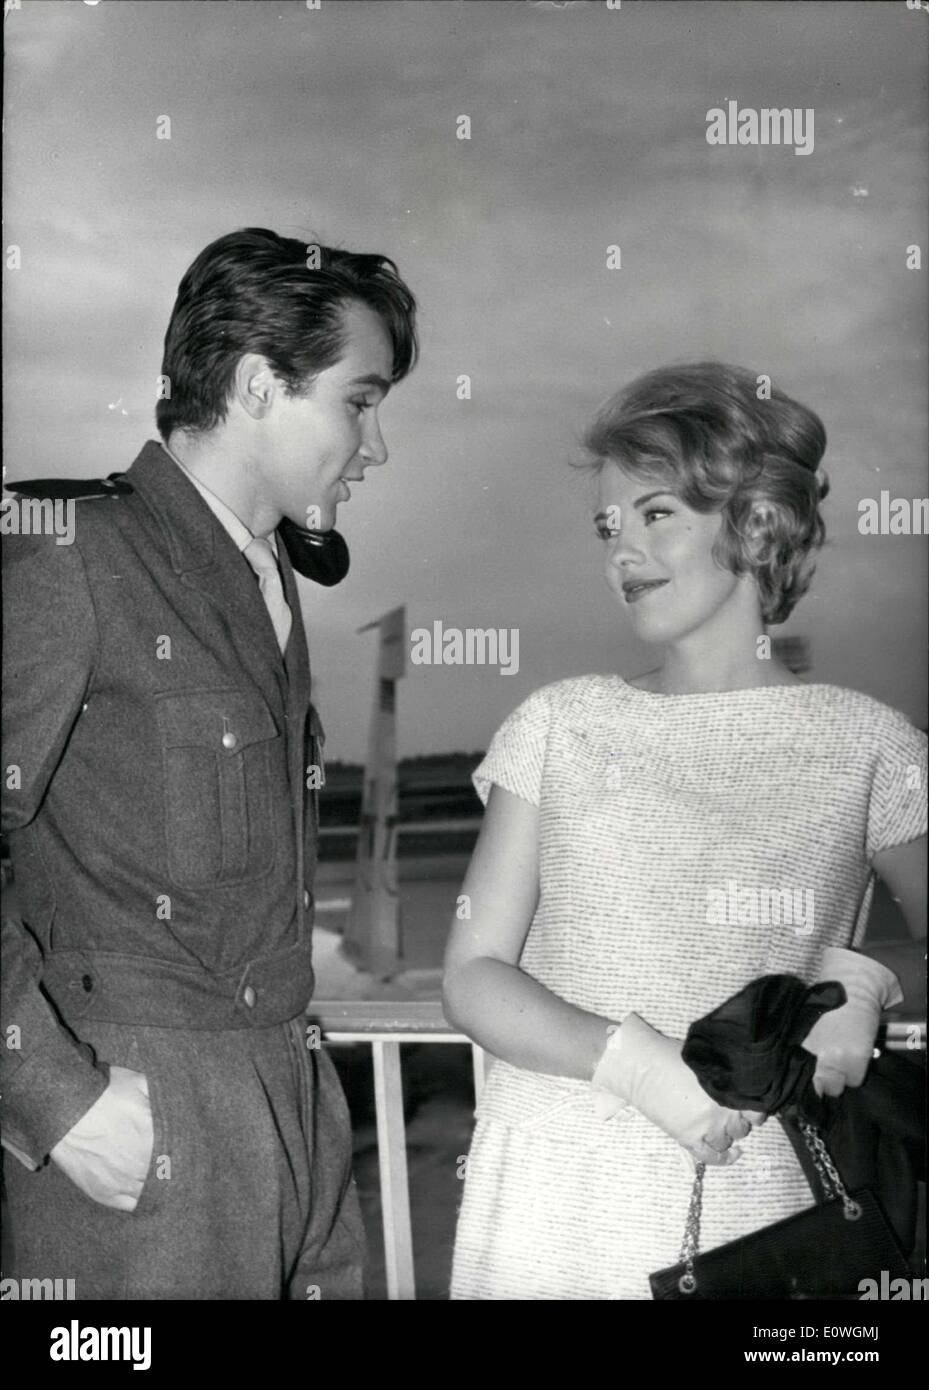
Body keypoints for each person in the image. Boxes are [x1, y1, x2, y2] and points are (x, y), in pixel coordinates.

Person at [443, 362, 926, 1300]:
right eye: (606, 525)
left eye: (654, 512)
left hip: (760, 1213)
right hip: (549, 1204)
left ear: (753, 523)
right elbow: (471, 974)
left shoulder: (870, 745)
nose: (620, 551)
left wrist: (865, 983)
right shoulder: (559, 724)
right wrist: (636, 1066)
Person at [1, 227, 418, 1299]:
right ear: (254, 386)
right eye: (359, 401)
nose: (374, 446)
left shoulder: (266, 583)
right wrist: (55, 1100)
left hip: (294, 1112)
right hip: (144, 1132)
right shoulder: (74, 554)